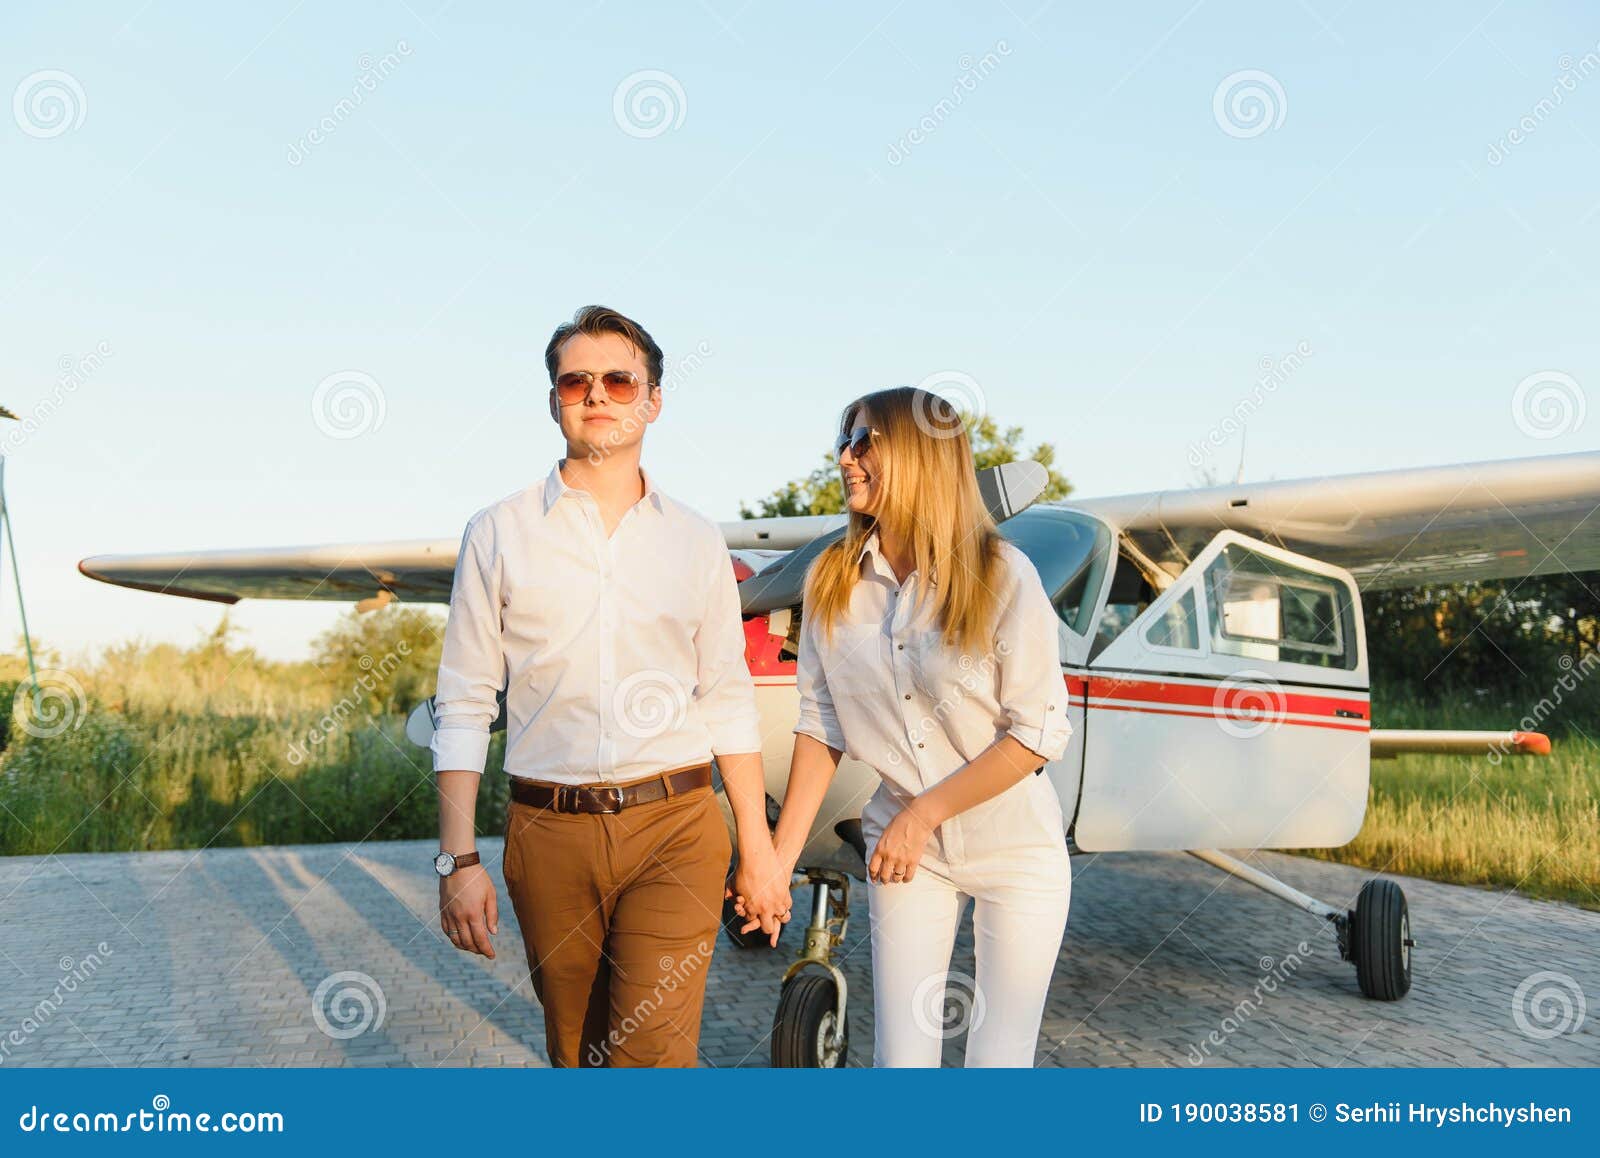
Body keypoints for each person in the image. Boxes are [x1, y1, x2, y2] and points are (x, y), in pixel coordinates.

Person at [430, 304, 789, 1067]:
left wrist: (757, 852)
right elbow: (462, 704)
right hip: (547, 834)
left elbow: (727, 698)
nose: (596, 394)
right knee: (579, 1055)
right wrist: (457, 862)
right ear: (554, 400)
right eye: (576, 381)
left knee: (650, 1058)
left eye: (619, 381)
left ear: (652, 401)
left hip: (677, 828)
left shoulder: (695, 538)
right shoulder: (496, 532)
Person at [742, 386, 1072, 1067]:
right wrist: (776, 862)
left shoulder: (1004, 575)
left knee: (999, 1063)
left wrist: (923, 814)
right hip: (904, 849)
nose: (845, 458)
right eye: (844, 442)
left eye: (865, 442)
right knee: (901, 1062)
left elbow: (1036, 733)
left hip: (1014, 848)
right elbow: (822, 724)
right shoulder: (831, 580)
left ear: (923, 458)